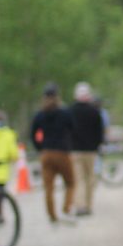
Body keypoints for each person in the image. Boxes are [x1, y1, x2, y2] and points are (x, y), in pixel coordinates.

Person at [29, 83, 77, 224]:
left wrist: (40, 148)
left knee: (48, 187)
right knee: (70, 183)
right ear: (57, 96)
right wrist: (70, 145)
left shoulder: (40, 114)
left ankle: (52, 215)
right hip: (62, 152)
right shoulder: (65, 113)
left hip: (46, 153)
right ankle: (66, 208)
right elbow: (74, 130)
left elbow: (33, 134)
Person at [69, 81, 105, 217]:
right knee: (90, 178)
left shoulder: (70, 111)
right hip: (91, 151)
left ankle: (80, 206)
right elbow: (100, 132)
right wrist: (98, 145)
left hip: (75, 150)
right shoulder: (95, 112)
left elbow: (67, 131)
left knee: (79, 179)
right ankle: (88, 205)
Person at [0, 109, 18, 227]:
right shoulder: (8, 134)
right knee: (0, 195)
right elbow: (14, 155)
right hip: (2, 170)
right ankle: (0, 214)